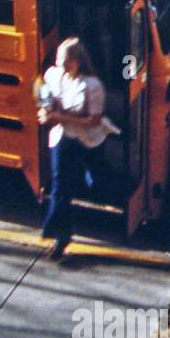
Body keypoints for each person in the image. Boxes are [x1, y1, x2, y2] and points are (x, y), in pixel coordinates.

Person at [37, 37, 119, 260]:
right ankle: (59, 235)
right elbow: (43, 95)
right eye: (59, 60)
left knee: (96, 183)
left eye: (66, 61)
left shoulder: (92, 86)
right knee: (60, 184)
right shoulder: (53, 75)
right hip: (64, 136)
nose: (62, 65)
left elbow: (93, 120)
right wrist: (45, 111)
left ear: (78, 61)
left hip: (88, 138)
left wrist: (59, 116)